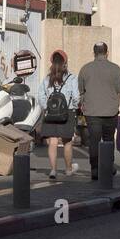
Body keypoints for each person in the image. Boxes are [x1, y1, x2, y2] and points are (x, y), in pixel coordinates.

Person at [77, 42, 120, 180]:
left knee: (94, 140)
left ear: (94, 53)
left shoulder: (85, 69)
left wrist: (83, 104)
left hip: (92, 112)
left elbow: (81, 92)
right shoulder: (115, 69)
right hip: (111, 112)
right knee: (108, 140)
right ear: (107, 52)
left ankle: (94, 169)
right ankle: (108, 166)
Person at [36, 49, 80, 178]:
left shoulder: (47, 79)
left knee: (53, 142)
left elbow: (40, 95)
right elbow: (76, 96)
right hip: (67, 113)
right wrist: (74, 106)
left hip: (50, 114)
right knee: (67, 142)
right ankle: (68, 169)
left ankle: (53, 171)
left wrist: (47, 107)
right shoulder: (72, 78)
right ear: (65, 63)